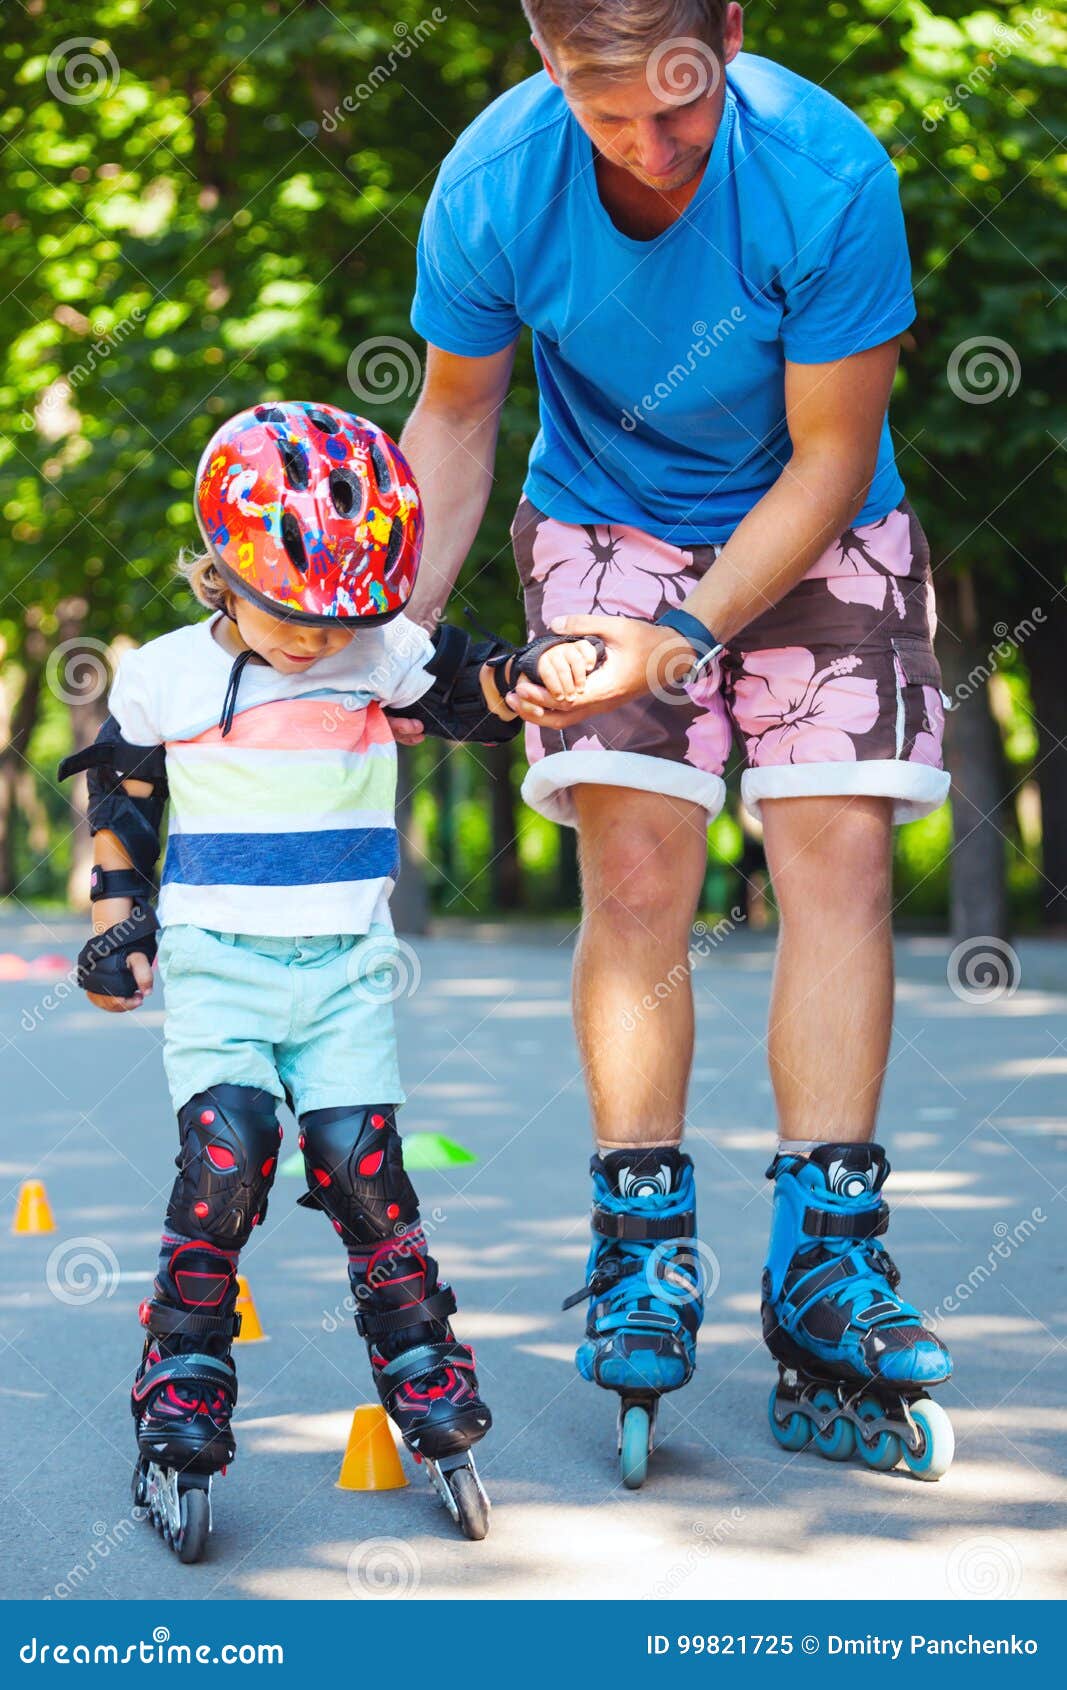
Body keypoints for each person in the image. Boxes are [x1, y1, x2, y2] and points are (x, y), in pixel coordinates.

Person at [392, 0, 955, 1482]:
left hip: (815, 513)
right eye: (604, 116)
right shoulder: (494, 181)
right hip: (601, 513)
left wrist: (690, 627)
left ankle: (826, 1258)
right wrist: (382, 633)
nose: (649, 149)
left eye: (677, 106)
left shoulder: (824, 175)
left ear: (729, 30)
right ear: (541, 63)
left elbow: (831, 452)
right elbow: (453, 422)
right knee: (637, 872)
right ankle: (642, 1242)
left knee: (828, 857)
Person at [59, 401, 602, 1548]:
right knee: (227, 1159)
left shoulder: (375, 650)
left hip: (347, 968)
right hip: (219, 964)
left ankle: (420, 1366)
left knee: (364, 1172)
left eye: (340, 617)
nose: (317, 640)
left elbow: (473, 687)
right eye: (290, 615)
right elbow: (123, 802)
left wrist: (535, 671)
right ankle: (182, 1375)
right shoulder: (163, 677)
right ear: (219, 571)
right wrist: (118, 925)